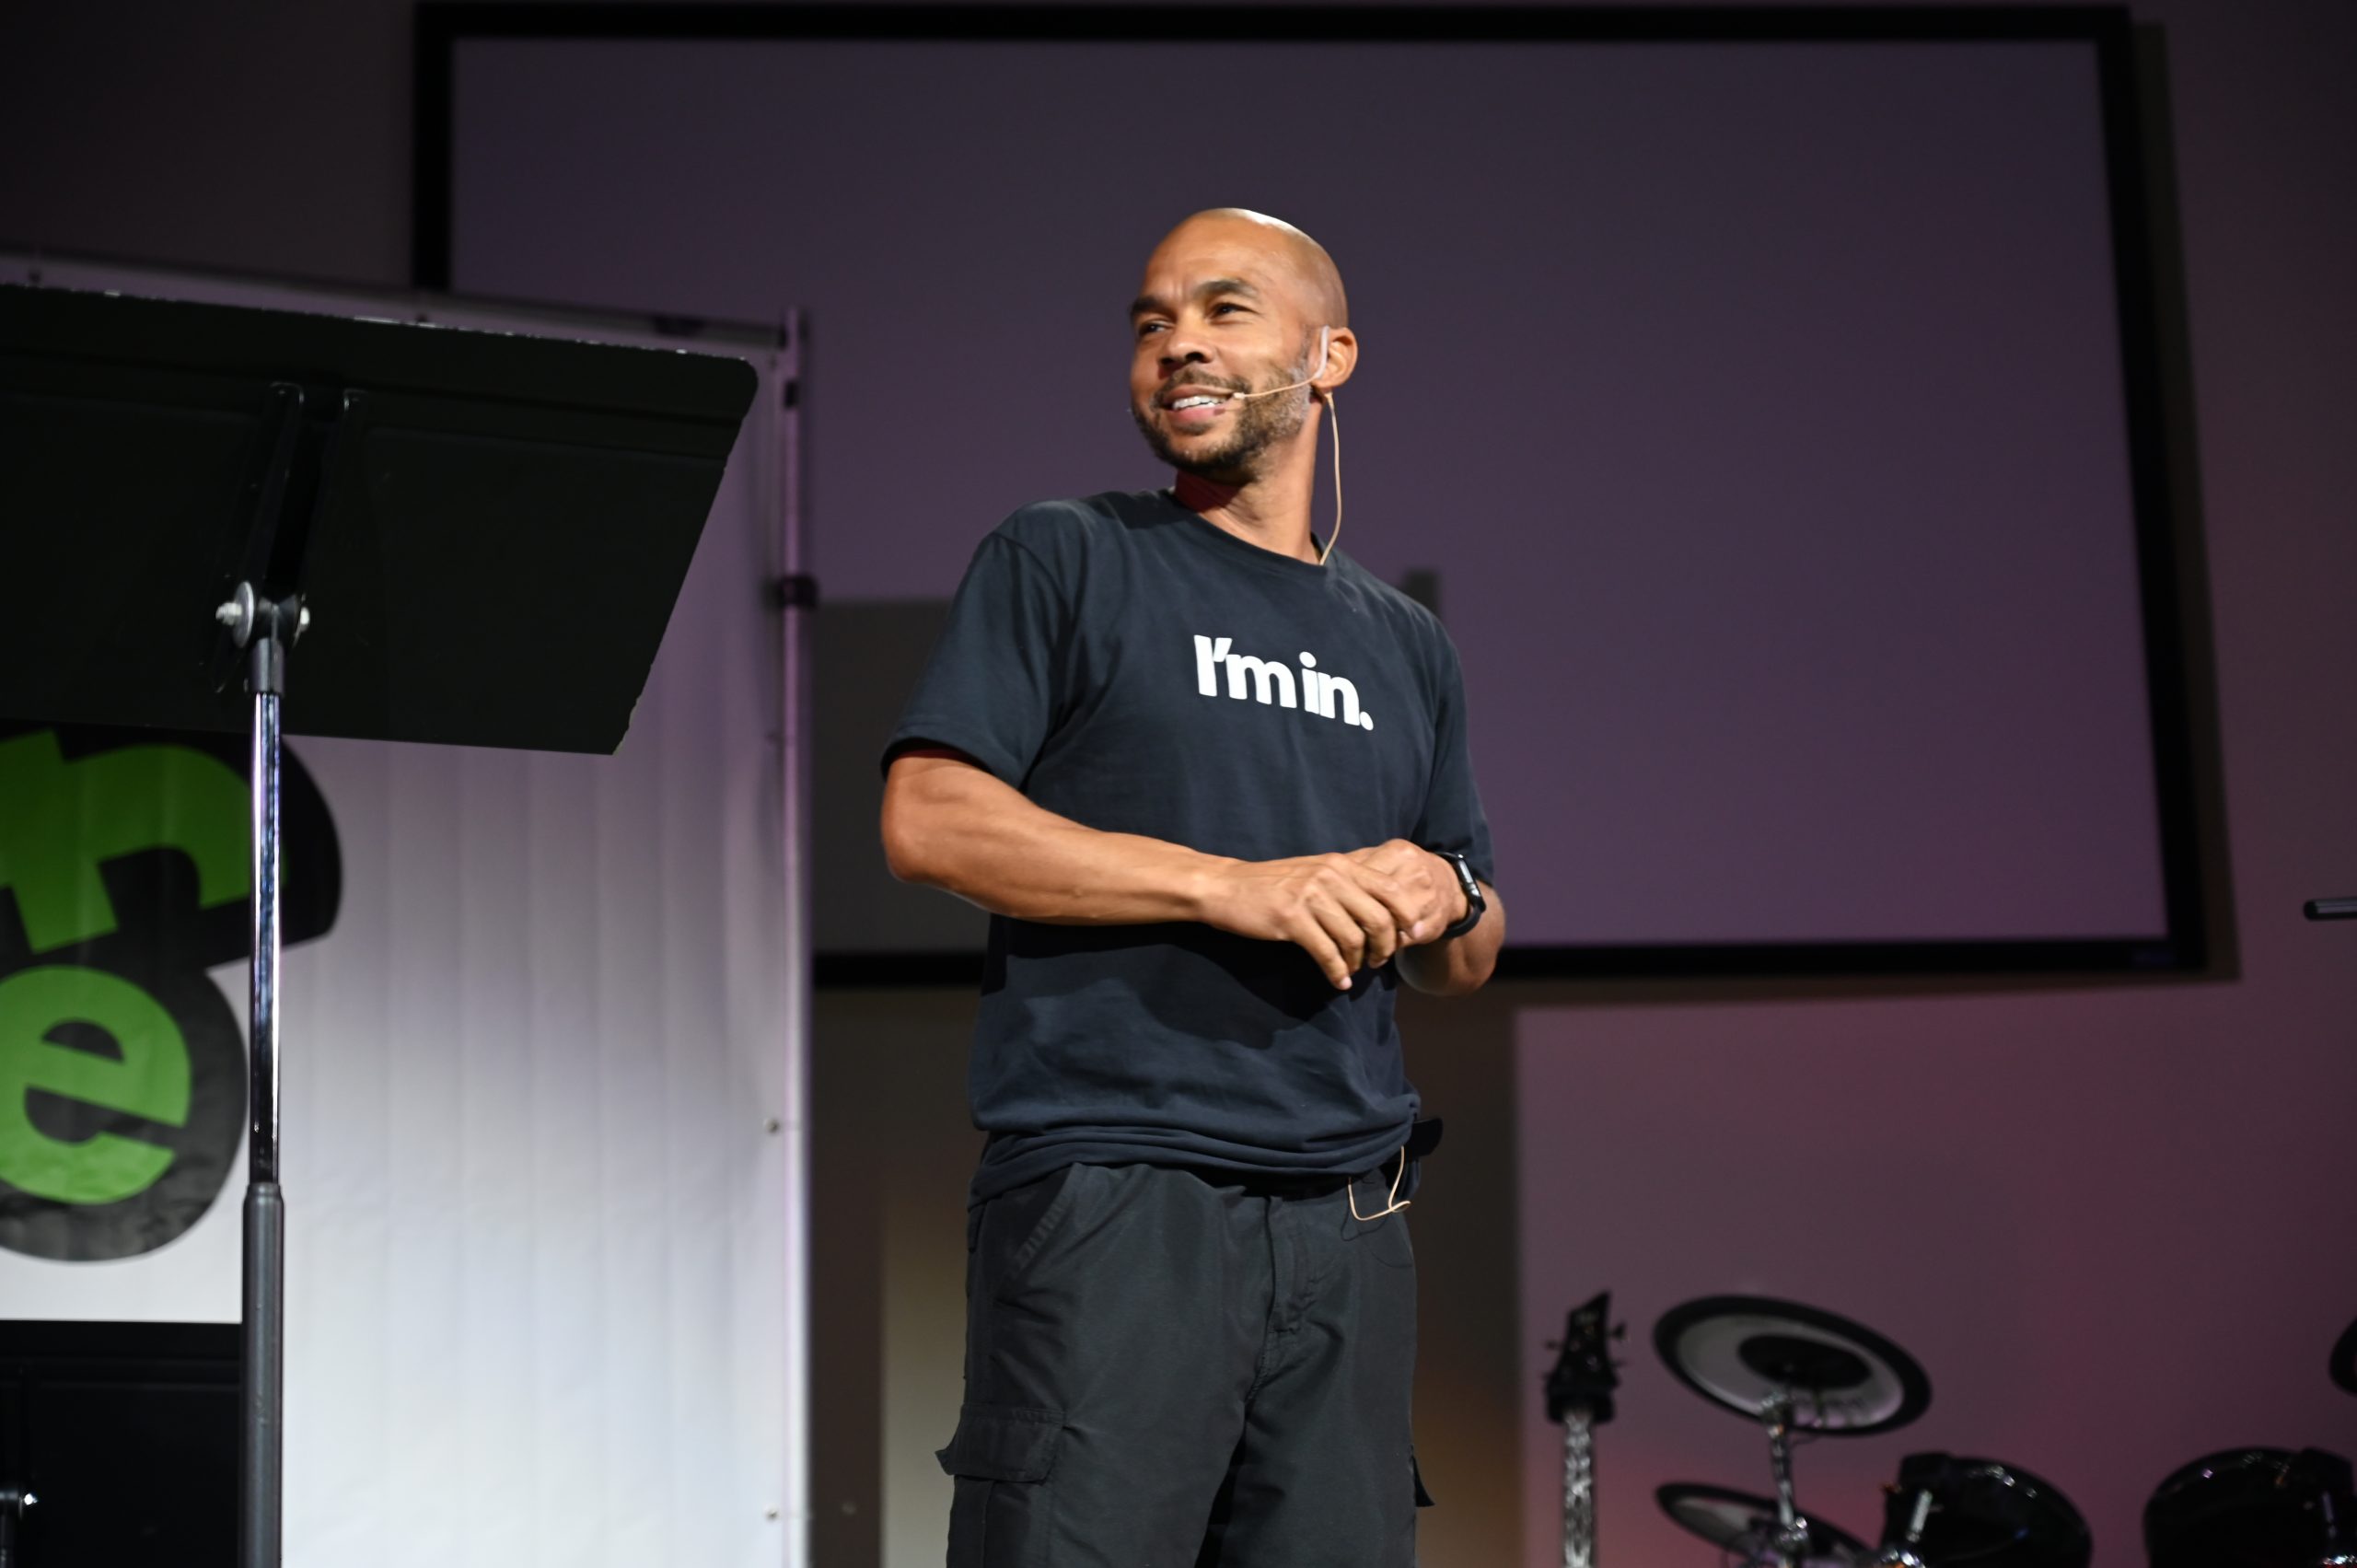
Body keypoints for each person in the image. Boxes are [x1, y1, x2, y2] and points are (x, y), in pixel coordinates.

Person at [878, 206, 1504, 1567]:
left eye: (1224, 310)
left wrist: (1444, 894)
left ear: (1330, 356)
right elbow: (928, 820)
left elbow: (1470, 948)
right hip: (1118, 1190)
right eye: (1151, 323)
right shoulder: (1068, 555)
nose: (1177, 345)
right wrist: (1233, 887)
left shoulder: (1408, 646)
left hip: (1350, 1215)